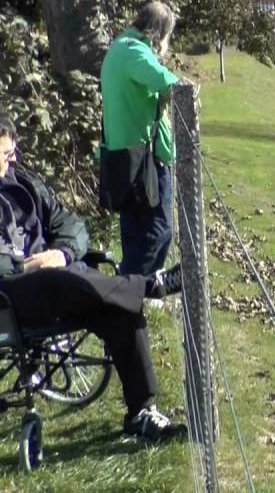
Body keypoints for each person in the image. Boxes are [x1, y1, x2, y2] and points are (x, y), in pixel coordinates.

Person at [0, 116, 186, 443]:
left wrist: (64, 254)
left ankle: (141, 414)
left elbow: (71, 225)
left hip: (61, 281)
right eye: (5, 154)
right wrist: (28, 267)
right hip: (11, 296)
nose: (13, 159)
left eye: (13, 151)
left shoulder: (26, 183)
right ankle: (148, 285)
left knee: (118, 307)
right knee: (63, 281)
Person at [101, 1, 181, 277]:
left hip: (122, 156)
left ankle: (131, 302)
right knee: (158, 231)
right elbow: (171, 83)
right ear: (159, 33)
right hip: (145, 159)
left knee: (134, 231)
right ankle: (129, 294)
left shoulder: (118, 47)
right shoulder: (136, 52)